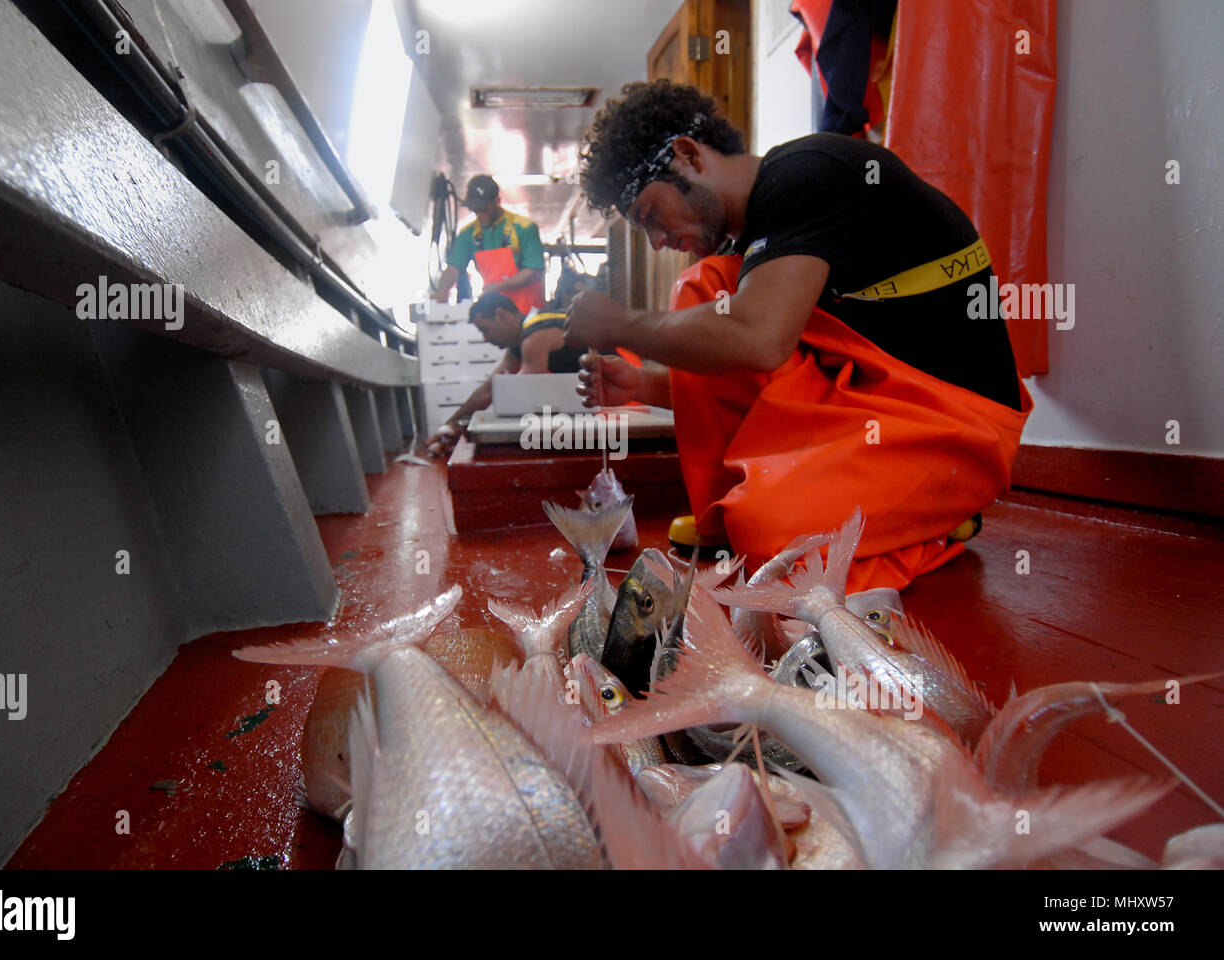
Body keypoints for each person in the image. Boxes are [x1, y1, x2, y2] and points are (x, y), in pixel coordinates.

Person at [564, 79, 1032, 591]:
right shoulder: (760, 238)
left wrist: (619, 324)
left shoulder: (808, 176)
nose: (656, 242)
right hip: (877, 400)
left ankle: (933, 525)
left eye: (649, 215)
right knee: (705, 287)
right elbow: (765, 367)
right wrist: (644, 387)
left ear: (687, 156)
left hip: (956, 426)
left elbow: (760, 340)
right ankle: (726, 514)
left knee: (773, 541)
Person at [426, 292, 584, 456]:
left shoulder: (536, 336)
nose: (486, 338)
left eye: (485, 329)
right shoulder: (524, 337)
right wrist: (451, 424)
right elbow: (489, 389)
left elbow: (521, 391)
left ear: (500, 315)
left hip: (607, 402)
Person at [432, 175, 546, 315]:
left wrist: (499, 287)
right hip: (496, 315)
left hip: (528, 312)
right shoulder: (469, 234)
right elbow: (453, 267)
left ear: (497, 201)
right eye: (475, 210)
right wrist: (442, 290)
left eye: (483, 209)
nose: (479, 215)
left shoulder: (524, 228)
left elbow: (534, 270)